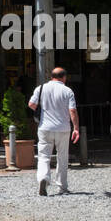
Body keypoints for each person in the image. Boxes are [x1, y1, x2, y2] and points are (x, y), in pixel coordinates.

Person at [29, 66, 80, 196]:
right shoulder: (68, 91)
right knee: (62, 157)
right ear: (64, 77)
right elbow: (72, 110)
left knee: (44, 156)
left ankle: (43, 179)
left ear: (51, 76)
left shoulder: (40, 88)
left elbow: (31, 104)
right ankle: (62, 187)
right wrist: (76, 128)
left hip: (45, 127)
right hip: (63, 128)